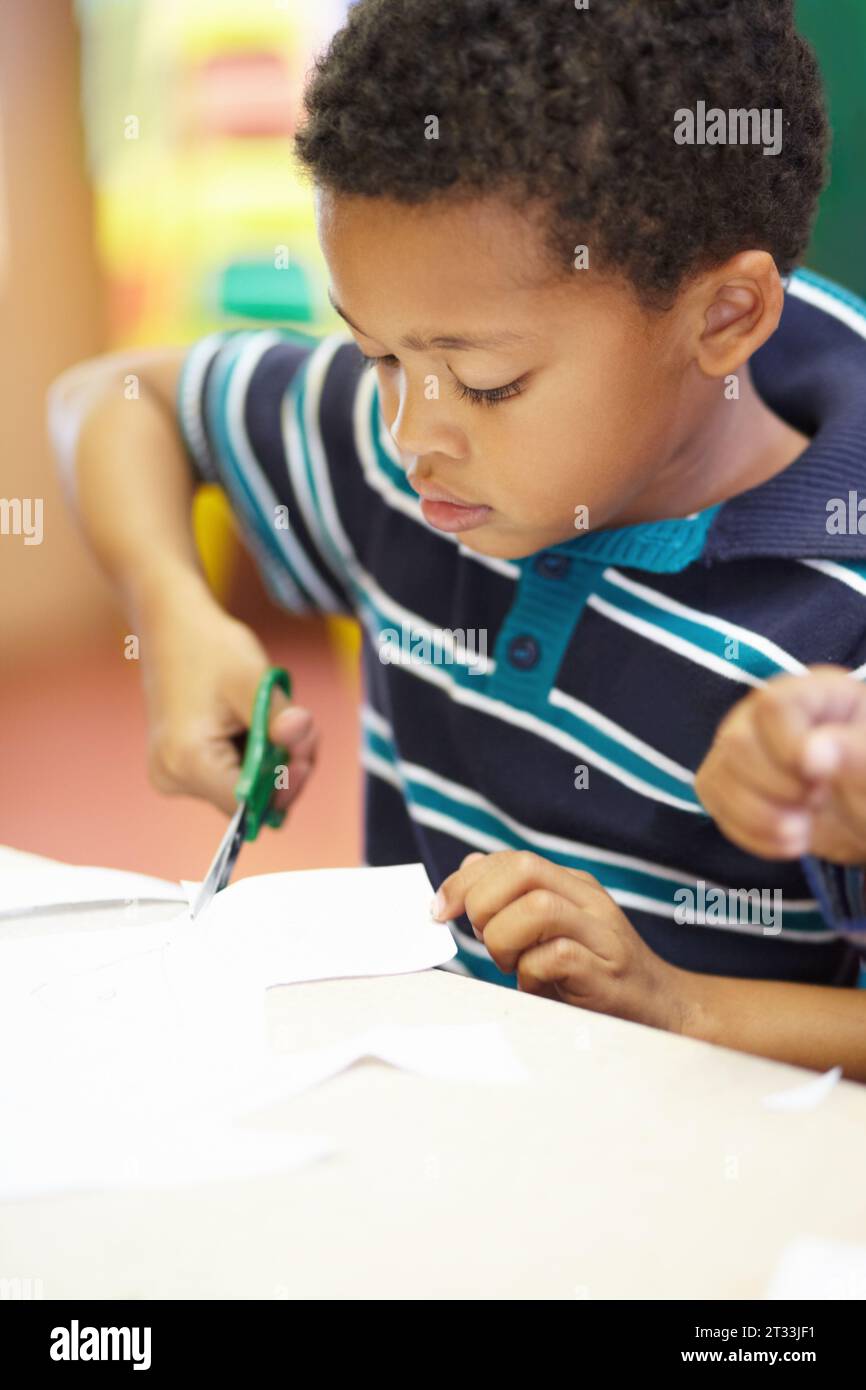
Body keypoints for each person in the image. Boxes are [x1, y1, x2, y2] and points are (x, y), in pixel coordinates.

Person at [51, 1, 866, 1076]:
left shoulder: (835, 622)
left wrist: (678, 1006)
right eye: (377, 356)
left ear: (720, 317)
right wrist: (172, 614)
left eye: (488, 384)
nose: (408, 434)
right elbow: (109, 400)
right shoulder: (427, 446)